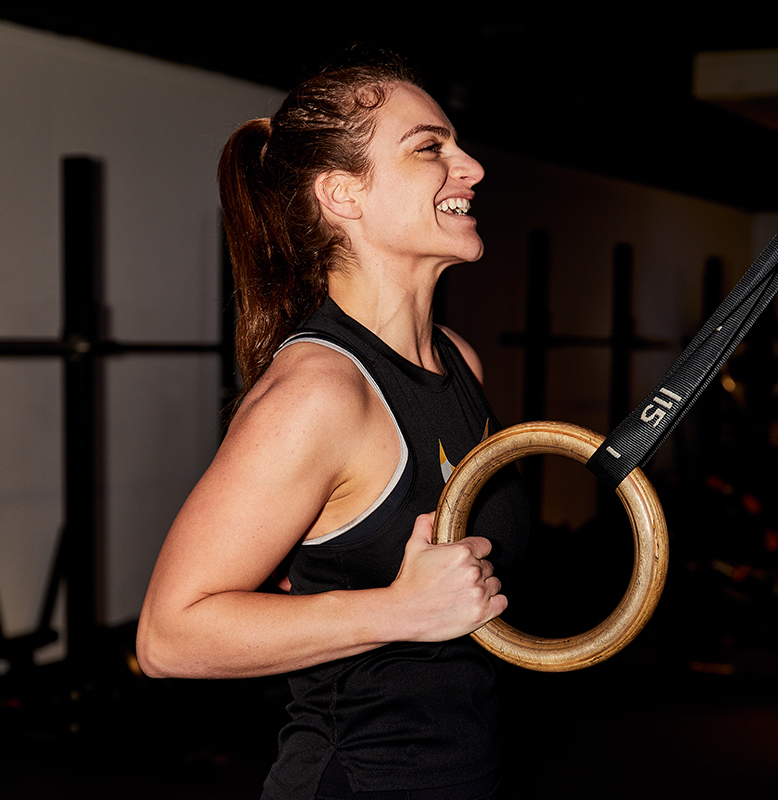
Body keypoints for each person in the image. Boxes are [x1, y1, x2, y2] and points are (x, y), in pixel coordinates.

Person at [136, 49, 529, 800]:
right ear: (343, 194)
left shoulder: (460, 362)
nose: (471, 166)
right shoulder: (320, 393)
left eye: (458, 143)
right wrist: (398, 610)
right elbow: (167, 636)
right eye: (431, 148)